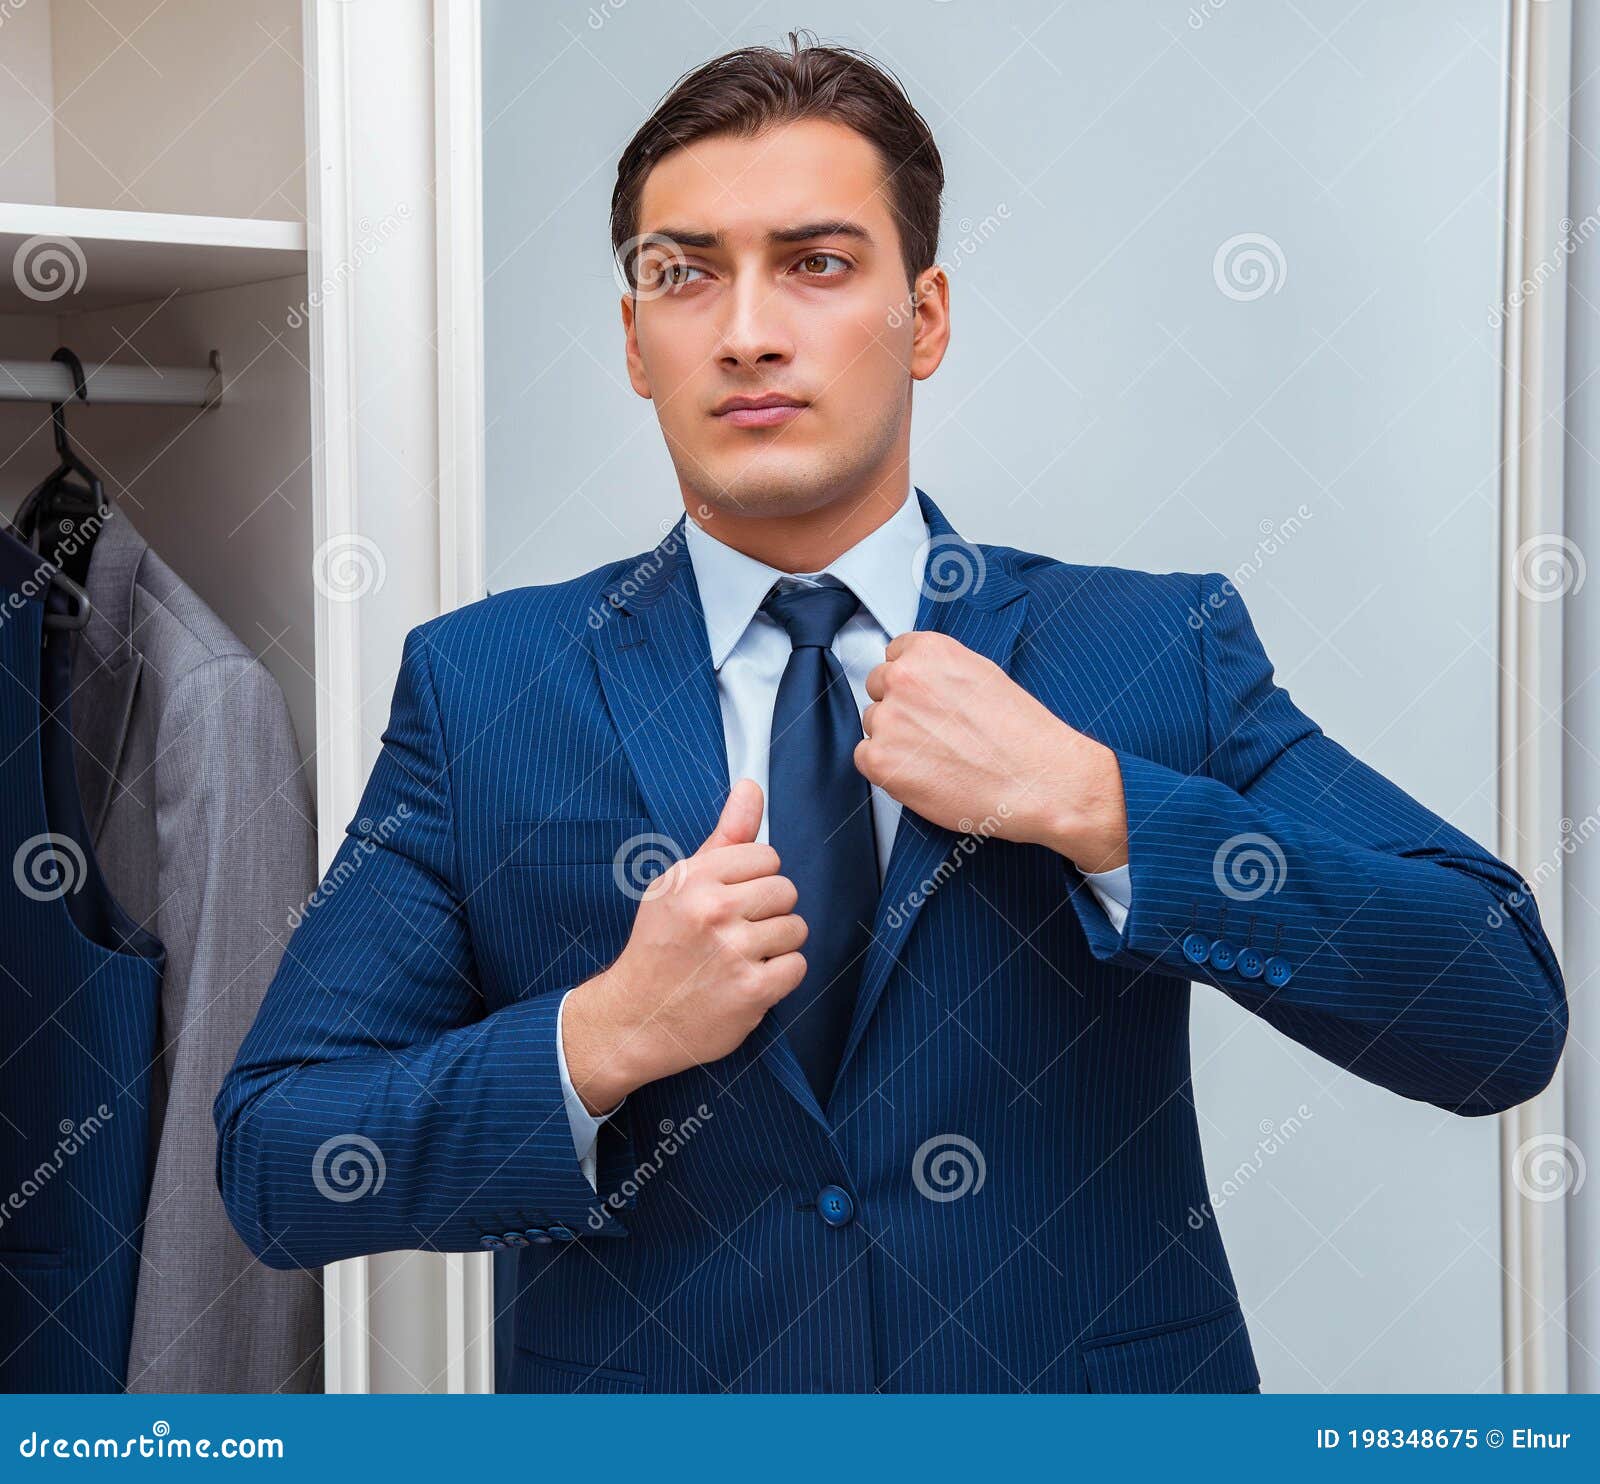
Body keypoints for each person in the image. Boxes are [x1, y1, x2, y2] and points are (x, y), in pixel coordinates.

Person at [214, 33, 1566, 1394]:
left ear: (924, 317)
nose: (746, 330)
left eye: (816, 263)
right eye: (684, 274)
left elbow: (1497, 1011)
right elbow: (280, 1160)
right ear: (635, 338)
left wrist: (1106, 810)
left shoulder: (1151, 652)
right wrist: (601, 1036)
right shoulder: (490, 690)